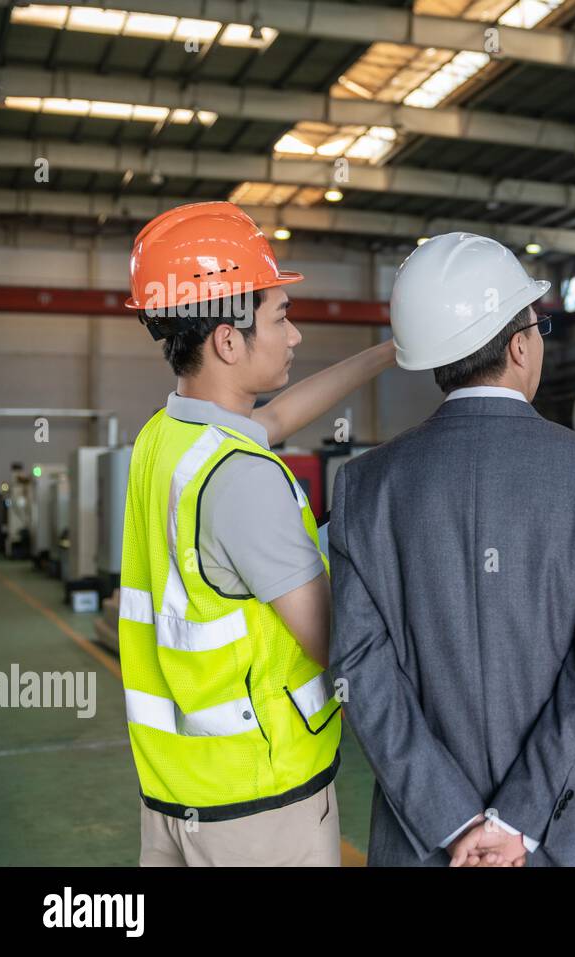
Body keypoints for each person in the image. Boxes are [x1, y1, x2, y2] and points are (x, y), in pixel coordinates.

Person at [329, 232, 575, 867]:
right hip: (567, 837)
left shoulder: (365, 486)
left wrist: (454, 822)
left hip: (426, 844)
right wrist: (520, 821)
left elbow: (360, 669)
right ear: (521, 343)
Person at [117, 201, 395, 866]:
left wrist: (388, 352)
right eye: (280, 316)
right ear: (228, 339)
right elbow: (334, 638)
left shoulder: (170, 437)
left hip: (179, 794)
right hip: (262, 807)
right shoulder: (241, 478)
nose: (295, 335)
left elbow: (277, 419)